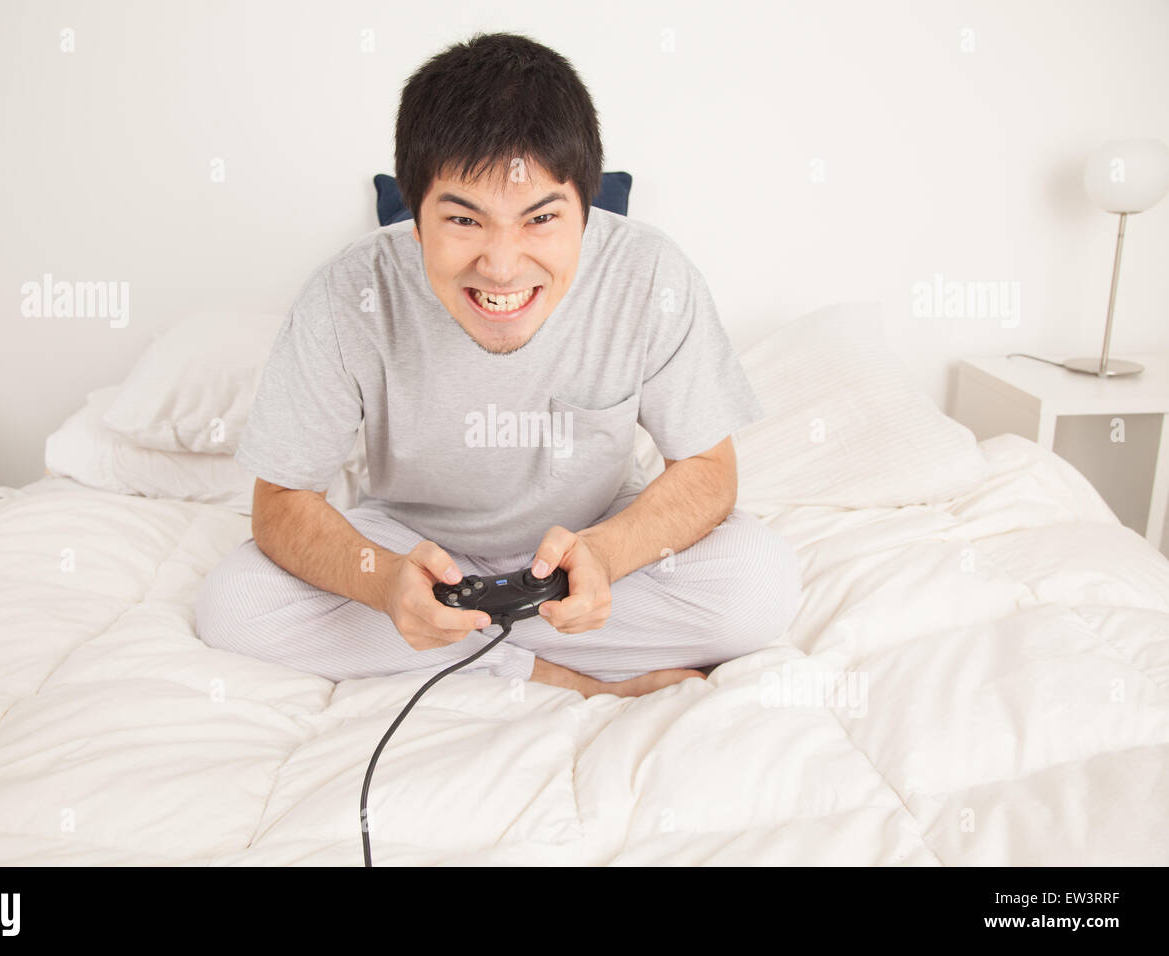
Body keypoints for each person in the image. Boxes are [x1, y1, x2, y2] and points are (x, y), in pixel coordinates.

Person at [196, 32, 801, 698]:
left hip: (592, 543)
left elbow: (708, 470)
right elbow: (281, 503)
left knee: (762, 582)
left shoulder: (651, 272)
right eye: (464, 221)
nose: (503, 268)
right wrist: (384, 582)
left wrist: (607, 556)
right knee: (235, 604)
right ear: (416, 220)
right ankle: (550, 672)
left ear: (586, 212)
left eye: (540, 219)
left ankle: (462, 645)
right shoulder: (346, 292)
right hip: (411, 547)